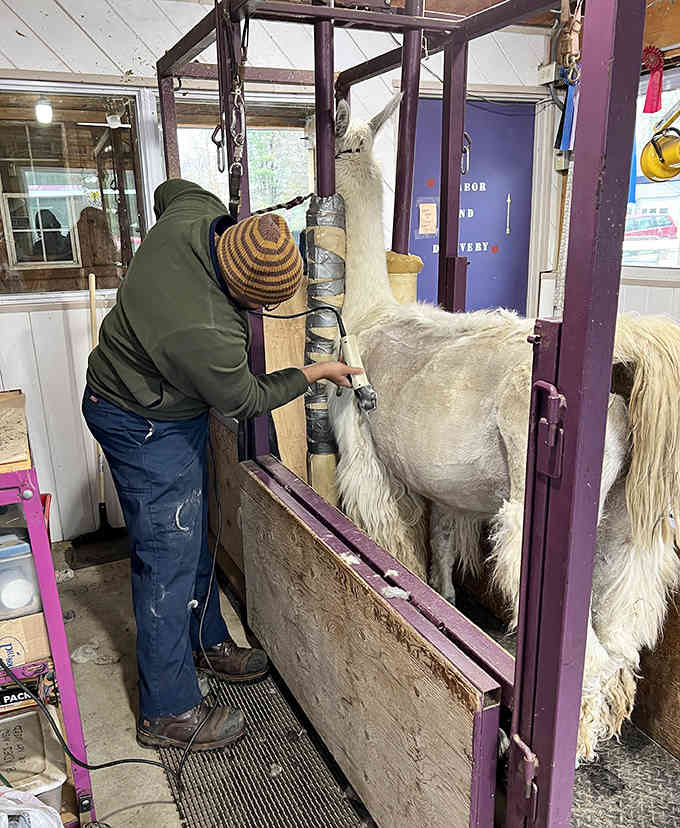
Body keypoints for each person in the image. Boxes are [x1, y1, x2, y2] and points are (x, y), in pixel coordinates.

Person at [82, 179, 359, 751]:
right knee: (166, 555)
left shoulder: (198, 212)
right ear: (238, 295)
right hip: (138, 417)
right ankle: (169, 711)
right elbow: (246, 400)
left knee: (190, 533)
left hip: (163, 402)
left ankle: (204, 642)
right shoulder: (205, 331)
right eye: (259, 305)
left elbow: (165, 189)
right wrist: (313, 373)